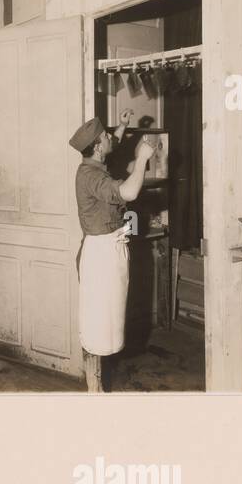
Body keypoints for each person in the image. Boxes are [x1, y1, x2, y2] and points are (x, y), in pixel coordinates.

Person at [68, 109, 154, 392]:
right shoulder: (91, 176)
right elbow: (128, 193)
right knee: (96, 326)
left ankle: (98, 386)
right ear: (96, 146)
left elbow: (112, 145)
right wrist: (142, 158)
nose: (110, 137)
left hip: (109, 251)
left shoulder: (94, 162)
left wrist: (125, 125)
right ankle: (94, 389)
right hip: (100, 256)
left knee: (108, 323)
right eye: (106, 136)